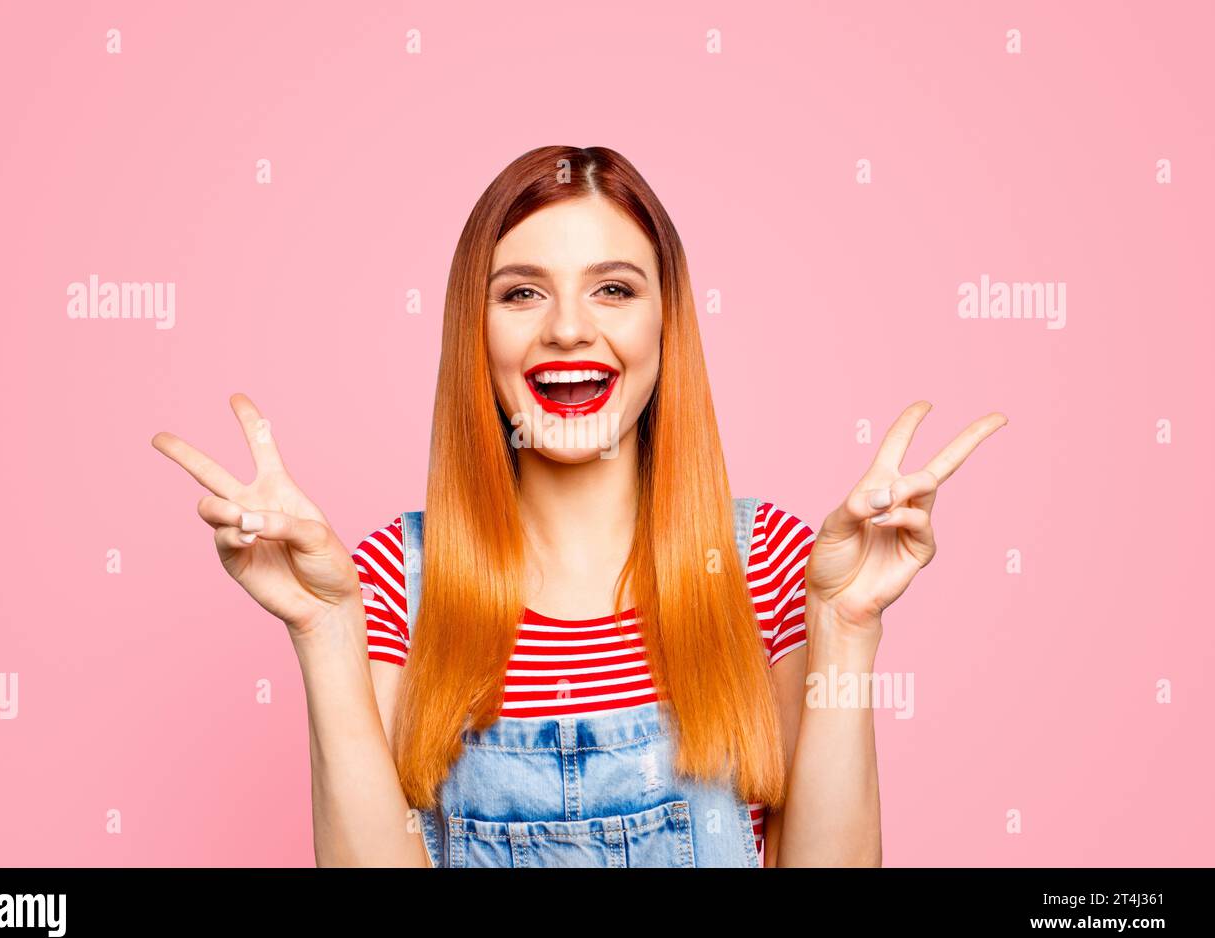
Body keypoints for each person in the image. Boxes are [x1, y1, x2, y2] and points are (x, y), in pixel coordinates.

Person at [151, 145, 1006, 867]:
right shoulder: (388, 585)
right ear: (473, 332)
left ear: (665, 326)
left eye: (614, 289)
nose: (567, 329)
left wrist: (848, 627)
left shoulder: (768, 566)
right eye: (522, 292)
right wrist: (324, 630)